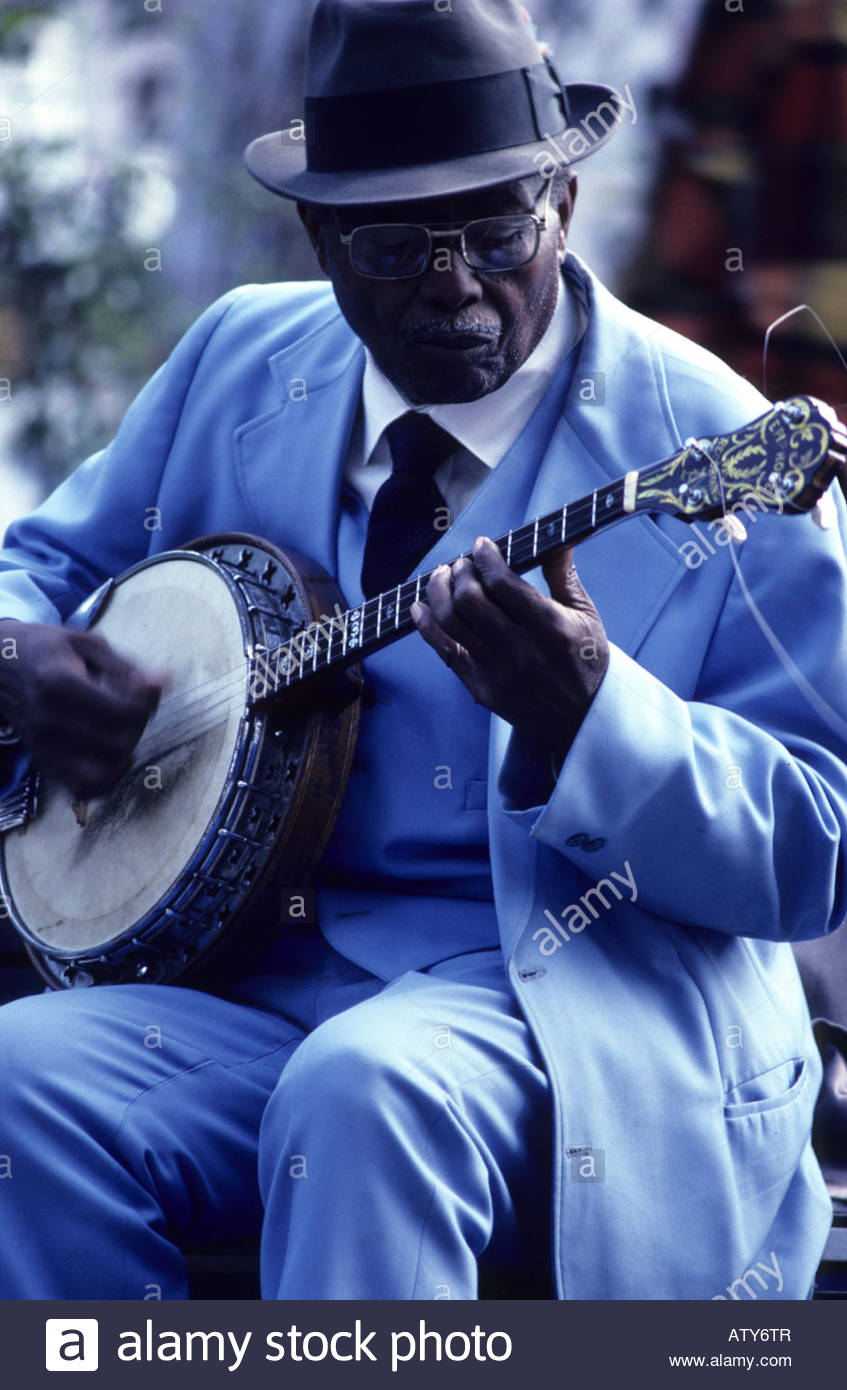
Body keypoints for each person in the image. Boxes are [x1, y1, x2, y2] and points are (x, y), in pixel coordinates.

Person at [0, 0, 845, 1301]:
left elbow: (821, 841)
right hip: (255, 987)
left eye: (499, 232)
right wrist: (20, 654)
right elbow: (43, 567)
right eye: (394, 247)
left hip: (573, 1011)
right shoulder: (237, 360)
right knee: (24, 1081)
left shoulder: (705, 441)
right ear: (319, 235)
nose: (455, 283)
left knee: (367, 1092)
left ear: (564, 200)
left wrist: (591, 718)